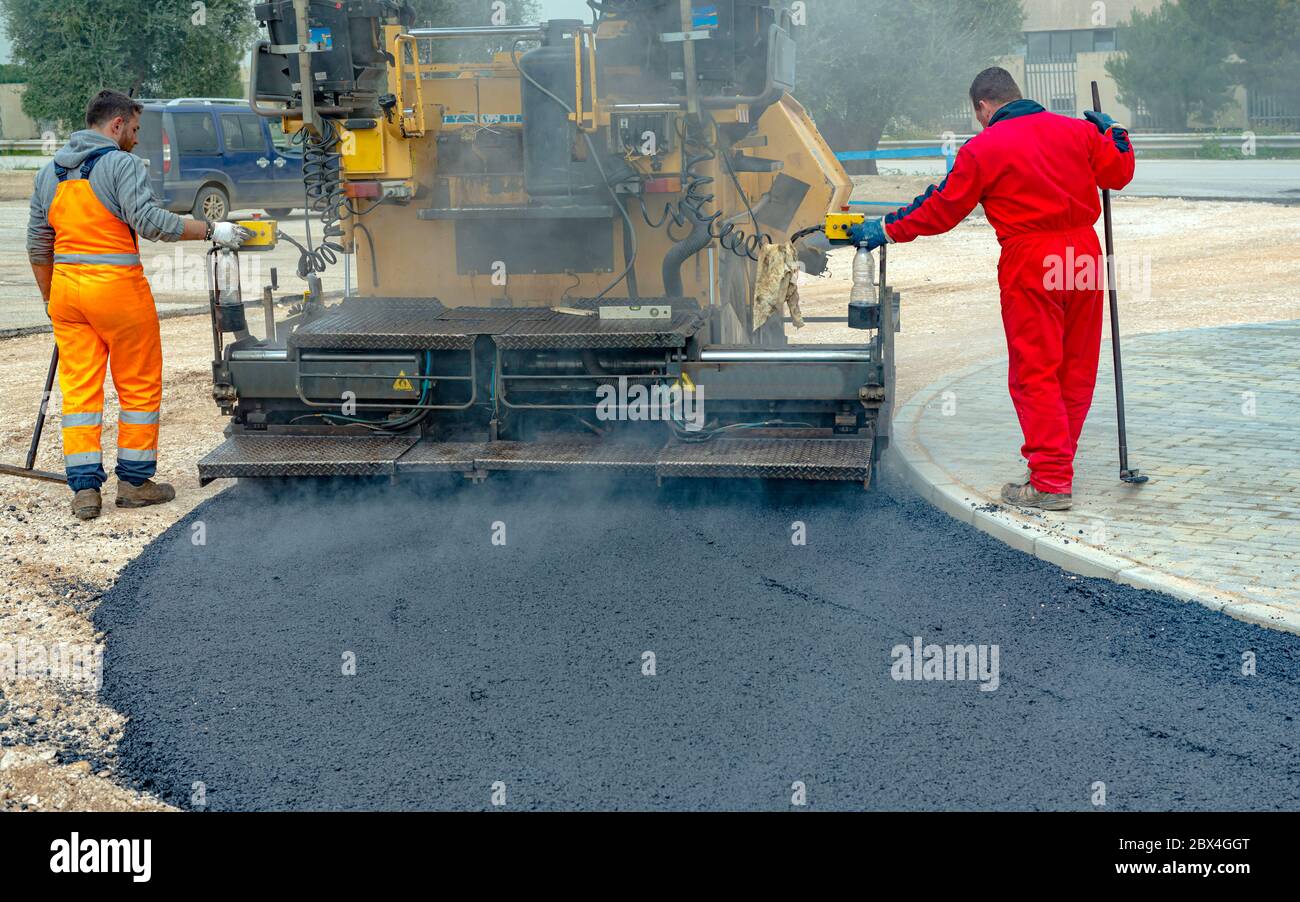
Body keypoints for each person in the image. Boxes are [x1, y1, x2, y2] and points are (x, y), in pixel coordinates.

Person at [852, 67, 1135, 511]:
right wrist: (1115, 132)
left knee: (1035, 371)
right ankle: (1055, 465)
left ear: (984, 107)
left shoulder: (984, 148)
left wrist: (886, 227)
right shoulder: (1078, 133)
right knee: (1075, 368)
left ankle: (1051, 481)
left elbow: (942, 208)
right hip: (1083, 254)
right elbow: (1118, 174)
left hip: (1031, 259)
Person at [27, 90, 249, 521]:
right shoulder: (121, 164)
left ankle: (85, 491)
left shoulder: (48, 173)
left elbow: (39, 244)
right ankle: (133, 482)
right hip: (117, 294)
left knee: (80, 393)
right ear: (115, 125)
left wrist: (51, 299)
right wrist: (211, 230)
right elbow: (150, 223)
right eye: (133, 128)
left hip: (68, 296)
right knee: (138, 386)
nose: (135, 137)